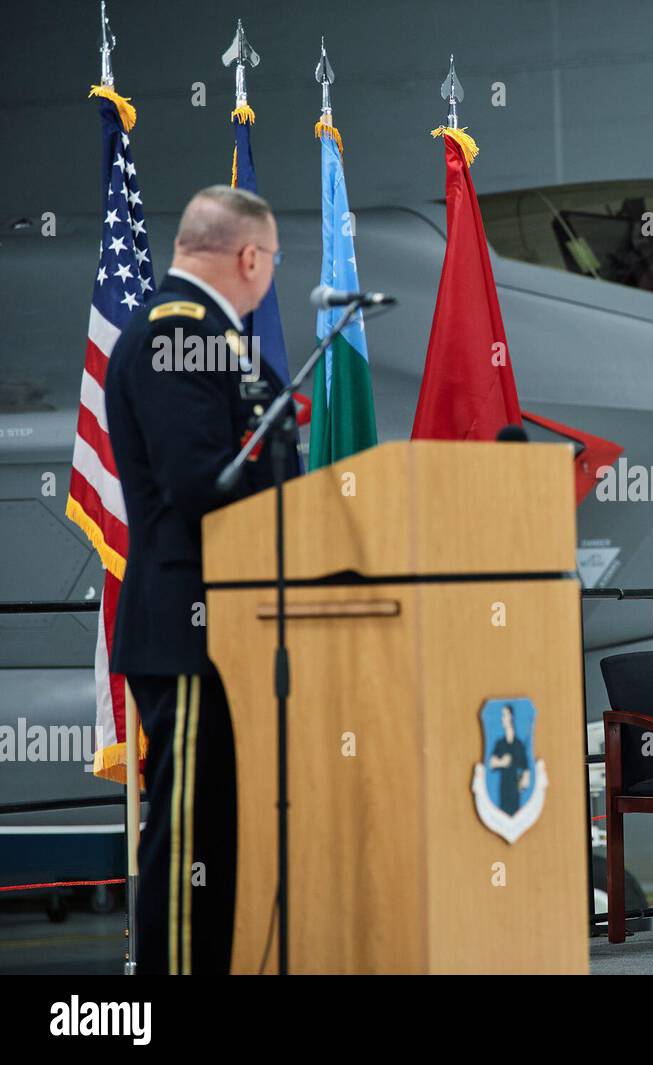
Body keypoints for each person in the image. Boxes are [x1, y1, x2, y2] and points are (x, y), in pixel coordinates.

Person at [104, 184, 289, 973]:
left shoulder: (210, 335)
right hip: (192, 628)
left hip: (228, 628)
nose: (271, 274)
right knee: (187, 844)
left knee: (216, 834)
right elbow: (198, 479)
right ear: (250, 256)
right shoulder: (177, 334)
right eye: (273, 260)